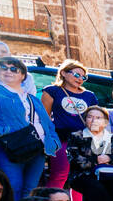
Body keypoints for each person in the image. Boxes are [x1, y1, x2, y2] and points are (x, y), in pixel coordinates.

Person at [0, 56, 55, 200]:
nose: (9, 71)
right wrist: (3, 132)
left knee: (31, 190)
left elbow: (47, 123)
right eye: (3, 68)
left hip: (36, 147)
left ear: (23, 75)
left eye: (14, 68)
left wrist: (50, 143)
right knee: (12, 186)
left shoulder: (32, 98)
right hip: (5, 145)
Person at [40, 60, 98, 193]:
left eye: (83, 77)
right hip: (61, 138)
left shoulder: (89, 95)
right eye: (76, 75)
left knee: (81, 176)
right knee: (60, 173)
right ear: (64, 73)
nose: (80, 79)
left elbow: (95, 117)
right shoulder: (52, 91)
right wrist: (49, 138)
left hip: (83, 140)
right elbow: (44, 117)